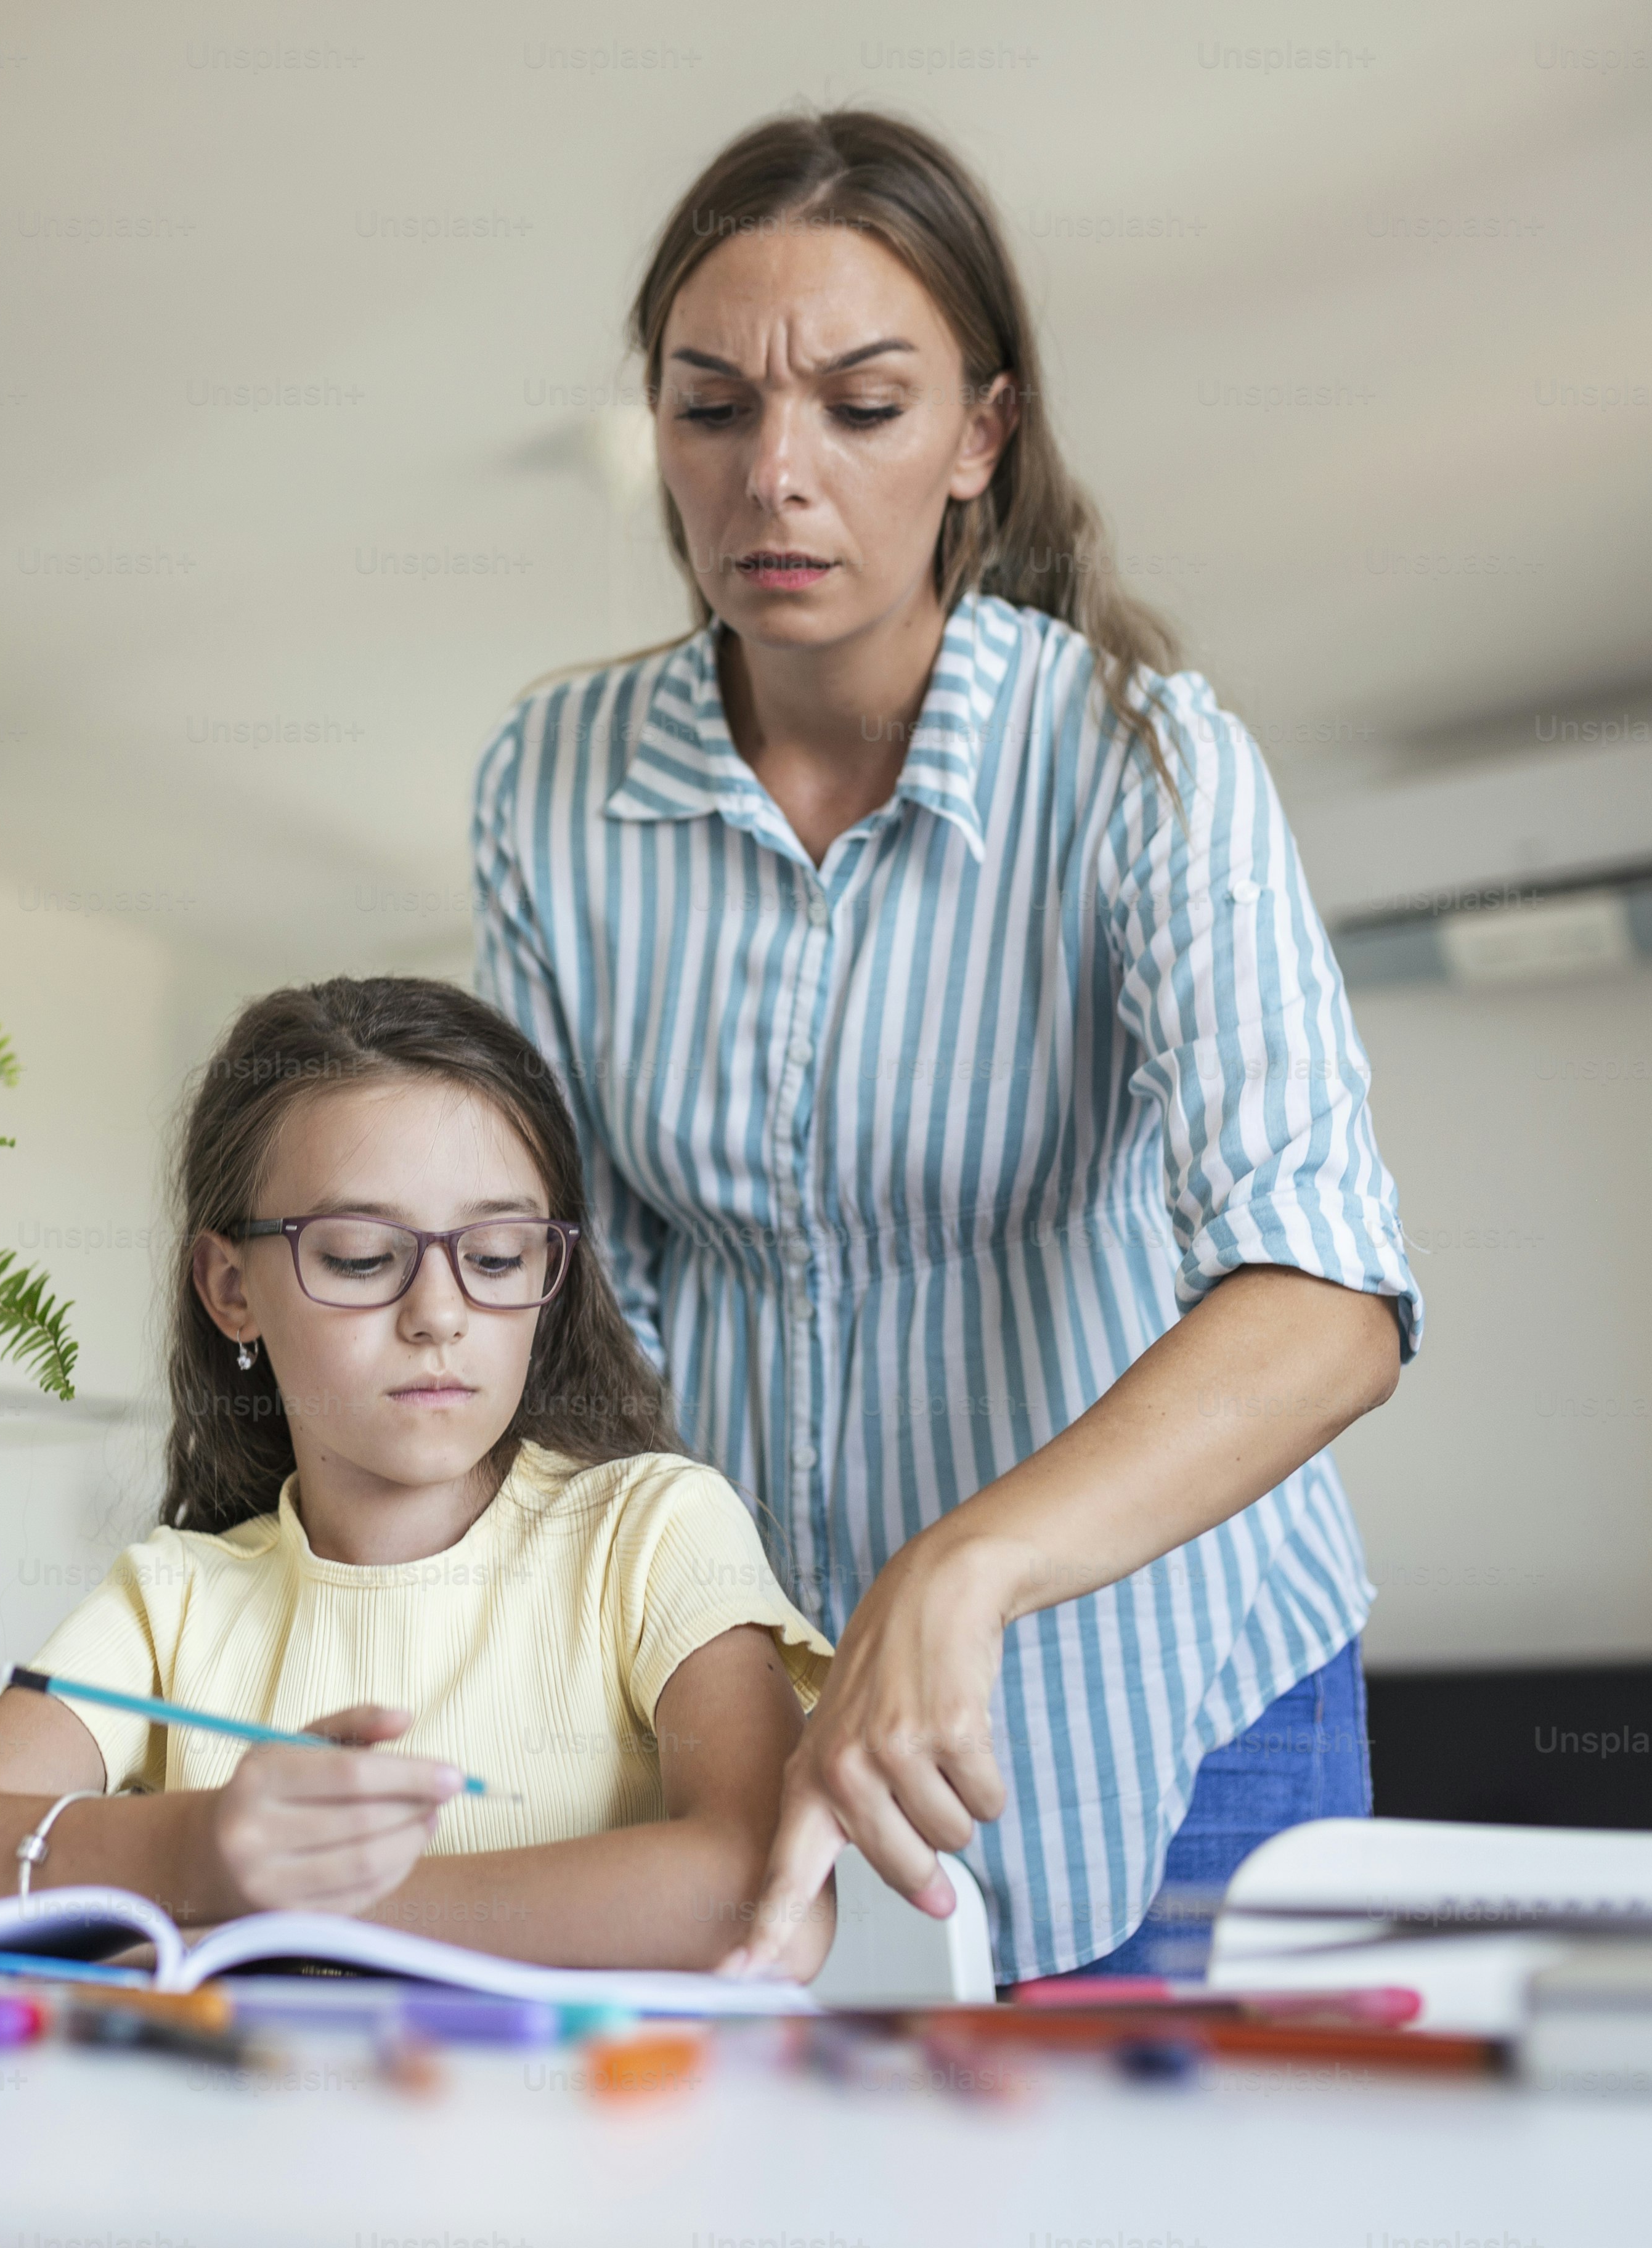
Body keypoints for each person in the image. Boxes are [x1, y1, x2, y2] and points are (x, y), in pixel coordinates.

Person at [469, 108, 1421, 1985]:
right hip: (764, 1721)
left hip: (1179, 1702)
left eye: (863, 406)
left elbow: (1331, 1303)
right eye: (712, 408)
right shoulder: (551, 784)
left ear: (982, 434)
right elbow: (563, 1302)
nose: (775, 476)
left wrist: (963, 1561)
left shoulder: (1142, 761)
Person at [0, 975, 837, 1973]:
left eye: (498, 1257)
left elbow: (773, 1903)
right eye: (364, 1258)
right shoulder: (174, 1603)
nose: (439, 1313)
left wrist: (285, 1916)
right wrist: (190, 1850)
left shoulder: (655, 1531)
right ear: (231, 1289)